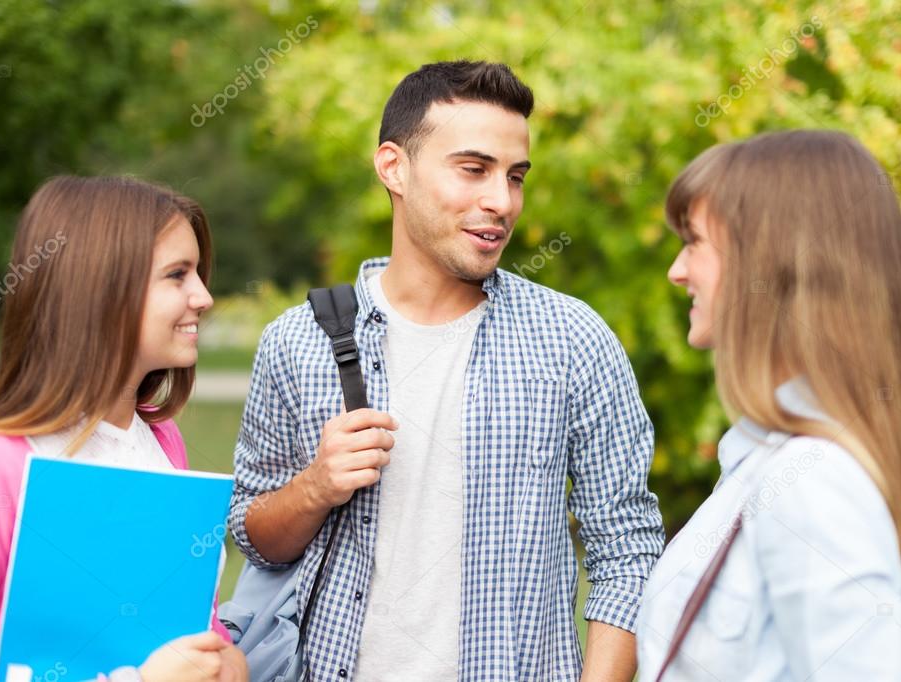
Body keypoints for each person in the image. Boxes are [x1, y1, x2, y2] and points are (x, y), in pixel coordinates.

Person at [228, 60, 665, 681]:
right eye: (473, 170)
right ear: (393, 168)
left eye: (515, 177)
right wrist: (315, 488)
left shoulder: (573, 339)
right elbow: (252, 534)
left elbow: (626, 547)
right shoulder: (297, 342)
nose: (501, 202)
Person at [636, 130, 901, 679]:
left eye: (693, 242)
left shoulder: (813, 480)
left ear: (768, 262)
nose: (677, 270)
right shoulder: (769, 461)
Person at [0, 176, 248, 682]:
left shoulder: (162, 442)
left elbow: (190, 621)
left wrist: (227, 659)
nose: (203, 297)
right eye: (177, 275)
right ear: (101, 288)